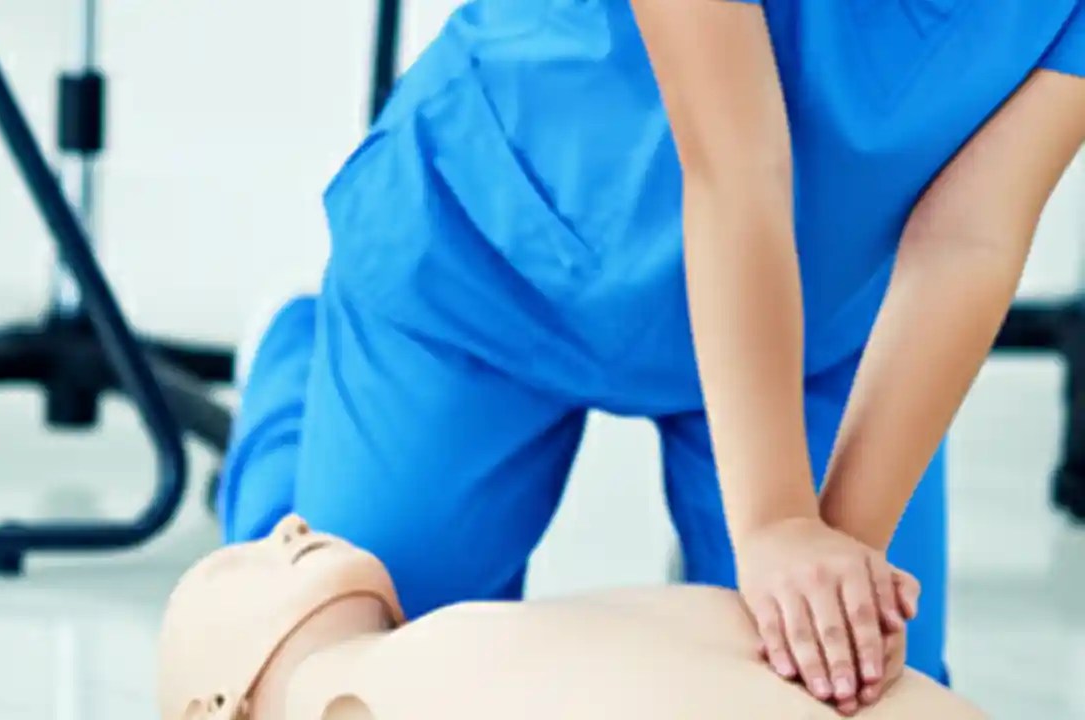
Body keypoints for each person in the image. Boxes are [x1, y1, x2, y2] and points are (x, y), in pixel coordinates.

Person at [219, 0, 1085, 712]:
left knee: (860, 690)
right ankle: (290, 382)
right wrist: (776, 523)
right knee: (337, 659)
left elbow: (972, 236)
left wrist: (827, 573)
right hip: (487, 261)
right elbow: (736, 162)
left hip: (816, 332)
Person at [157, 515, 987, 720]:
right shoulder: (403, 678)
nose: (291, 529)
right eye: (247, 560)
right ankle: (290, 341)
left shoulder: (439, 654)